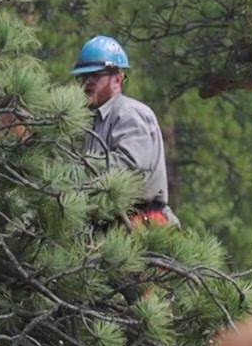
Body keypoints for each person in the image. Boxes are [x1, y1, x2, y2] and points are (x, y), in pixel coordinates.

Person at [73, 35, 176, 228]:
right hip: (109, 226)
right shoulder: (92, 119)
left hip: (141, 226)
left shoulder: (129, 114)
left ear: (118, 79)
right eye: (83, 77)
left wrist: (77, 165)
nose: (87, 83)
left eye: (95, 76)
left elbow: (131, 169)